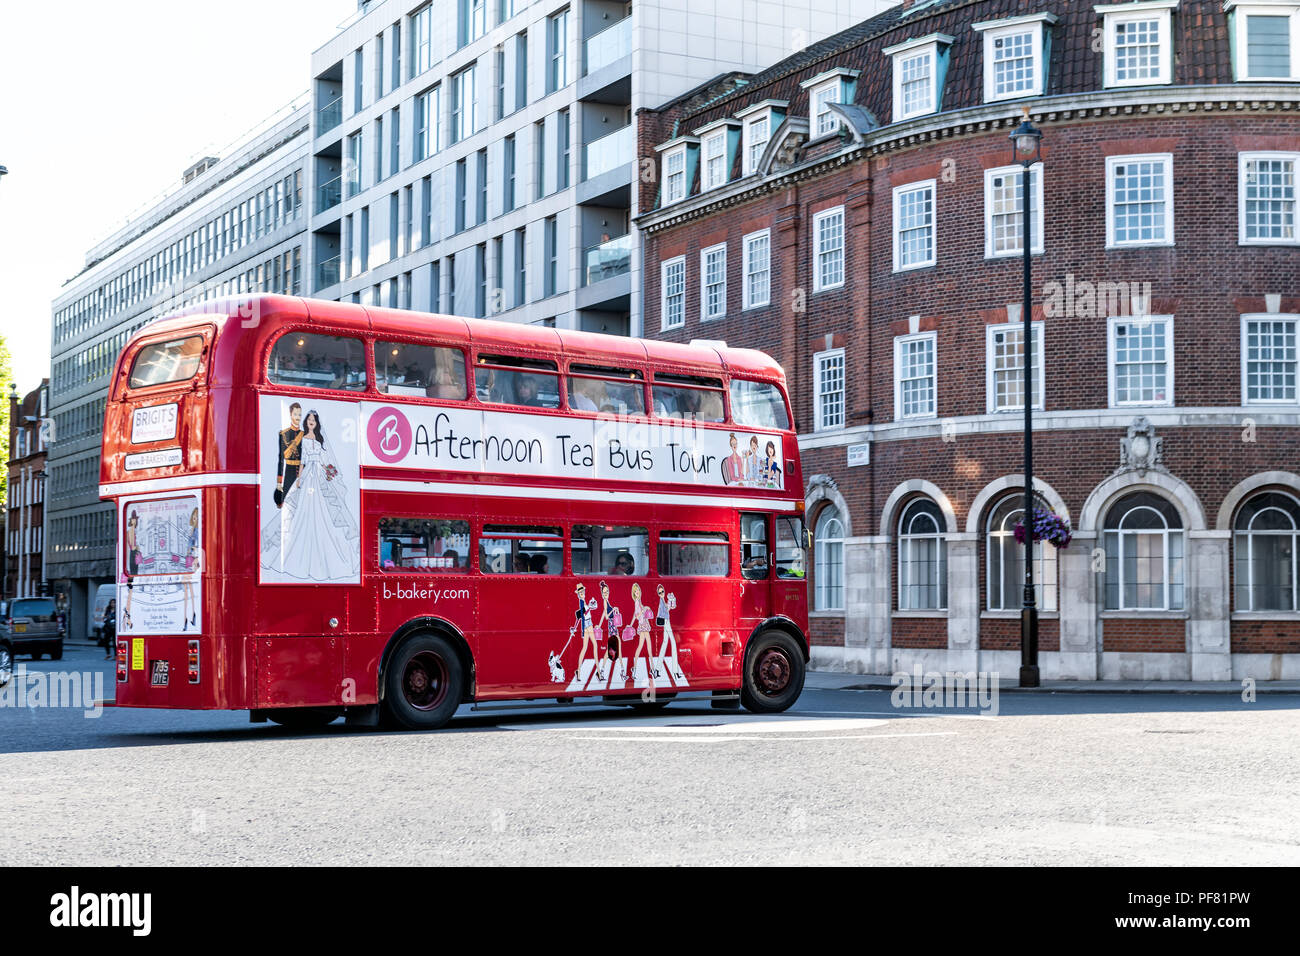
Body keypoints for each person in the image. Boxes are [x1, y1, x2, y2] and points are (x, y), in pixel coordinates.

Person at [260, 409, 360, 582]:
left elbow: (325, 461)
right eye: (309, 419)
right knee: (302, 513)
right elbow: (302, 462)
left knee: (324, 515)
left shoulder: (320, 441)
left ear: (316, 422)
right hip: (308, 478)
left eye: (314, 420)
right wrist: (298, 480)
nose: (311, 422)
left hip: (320, 477)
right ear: (306, 422)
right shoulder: (304, 440)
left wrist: (329, 473)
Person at [275, 402, 304, 508]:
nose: (298, 417)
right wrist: (279, 482)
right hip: (289, 471)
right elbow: (281, 459)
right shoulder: (284, 434)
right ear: (291, 415)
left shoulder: (304, 434)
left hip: (302, 471)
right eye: (295, 414)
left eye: (300, 414)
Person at [182, 506, 200, 631]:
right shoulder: (193, 531)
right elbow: (189, 548)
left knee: (189, 591)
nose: (195, 518)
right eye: (194, 516)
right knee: (189, 591)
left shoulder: (197, 531)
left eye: (197, 517)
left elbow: (196, 547)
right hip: (191, 560)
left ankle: (188, 618)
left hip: (195, 560)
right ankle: (191, 615)